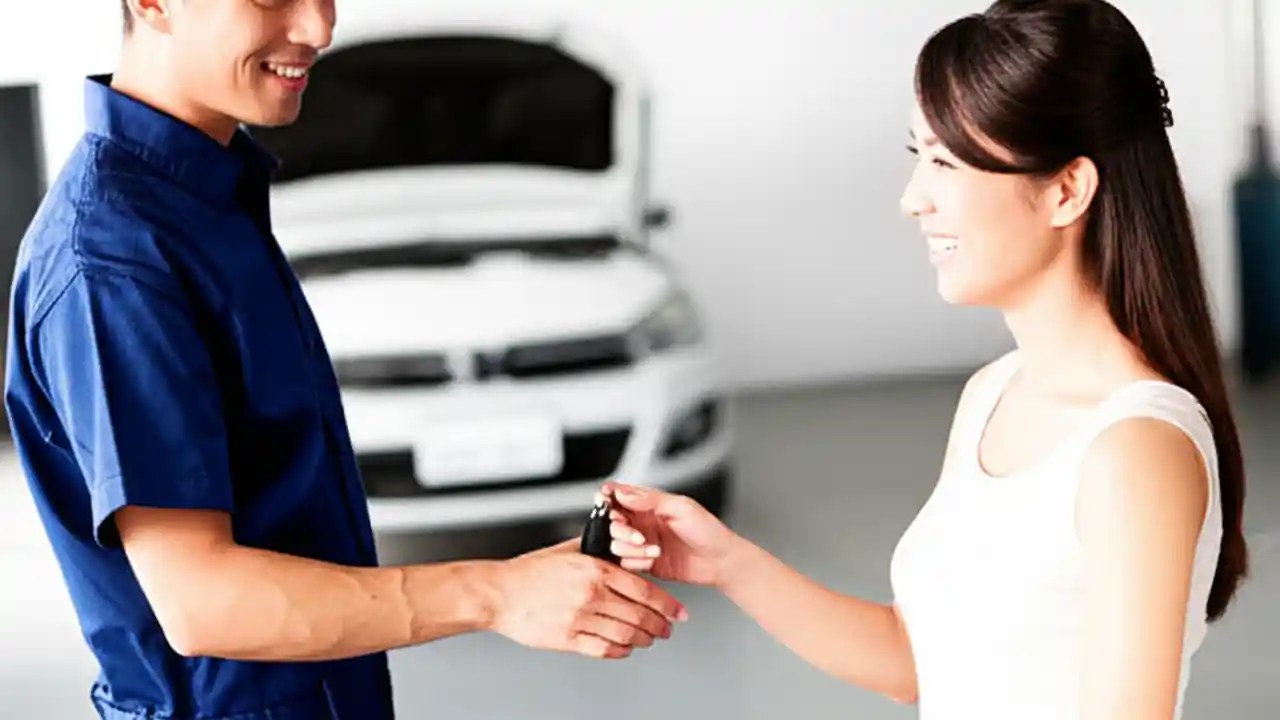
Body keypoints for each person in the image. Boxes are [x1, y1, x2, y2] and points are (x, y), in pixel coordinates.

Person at [3, 2, 686, 719]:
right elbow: (203, 603)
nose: (318, 28)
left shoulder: (205, 196)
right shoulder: (113, 261)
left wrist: (522, 579)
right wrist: (496, 594)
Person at [601, 1, 1249, 718]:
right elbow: (918, 661)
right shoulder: (994, 394)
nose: (914, 199)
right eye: (920, 156)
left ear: (1066, 191)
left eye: (945, 161)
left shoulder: (1136, 447)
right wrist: (727, 562)